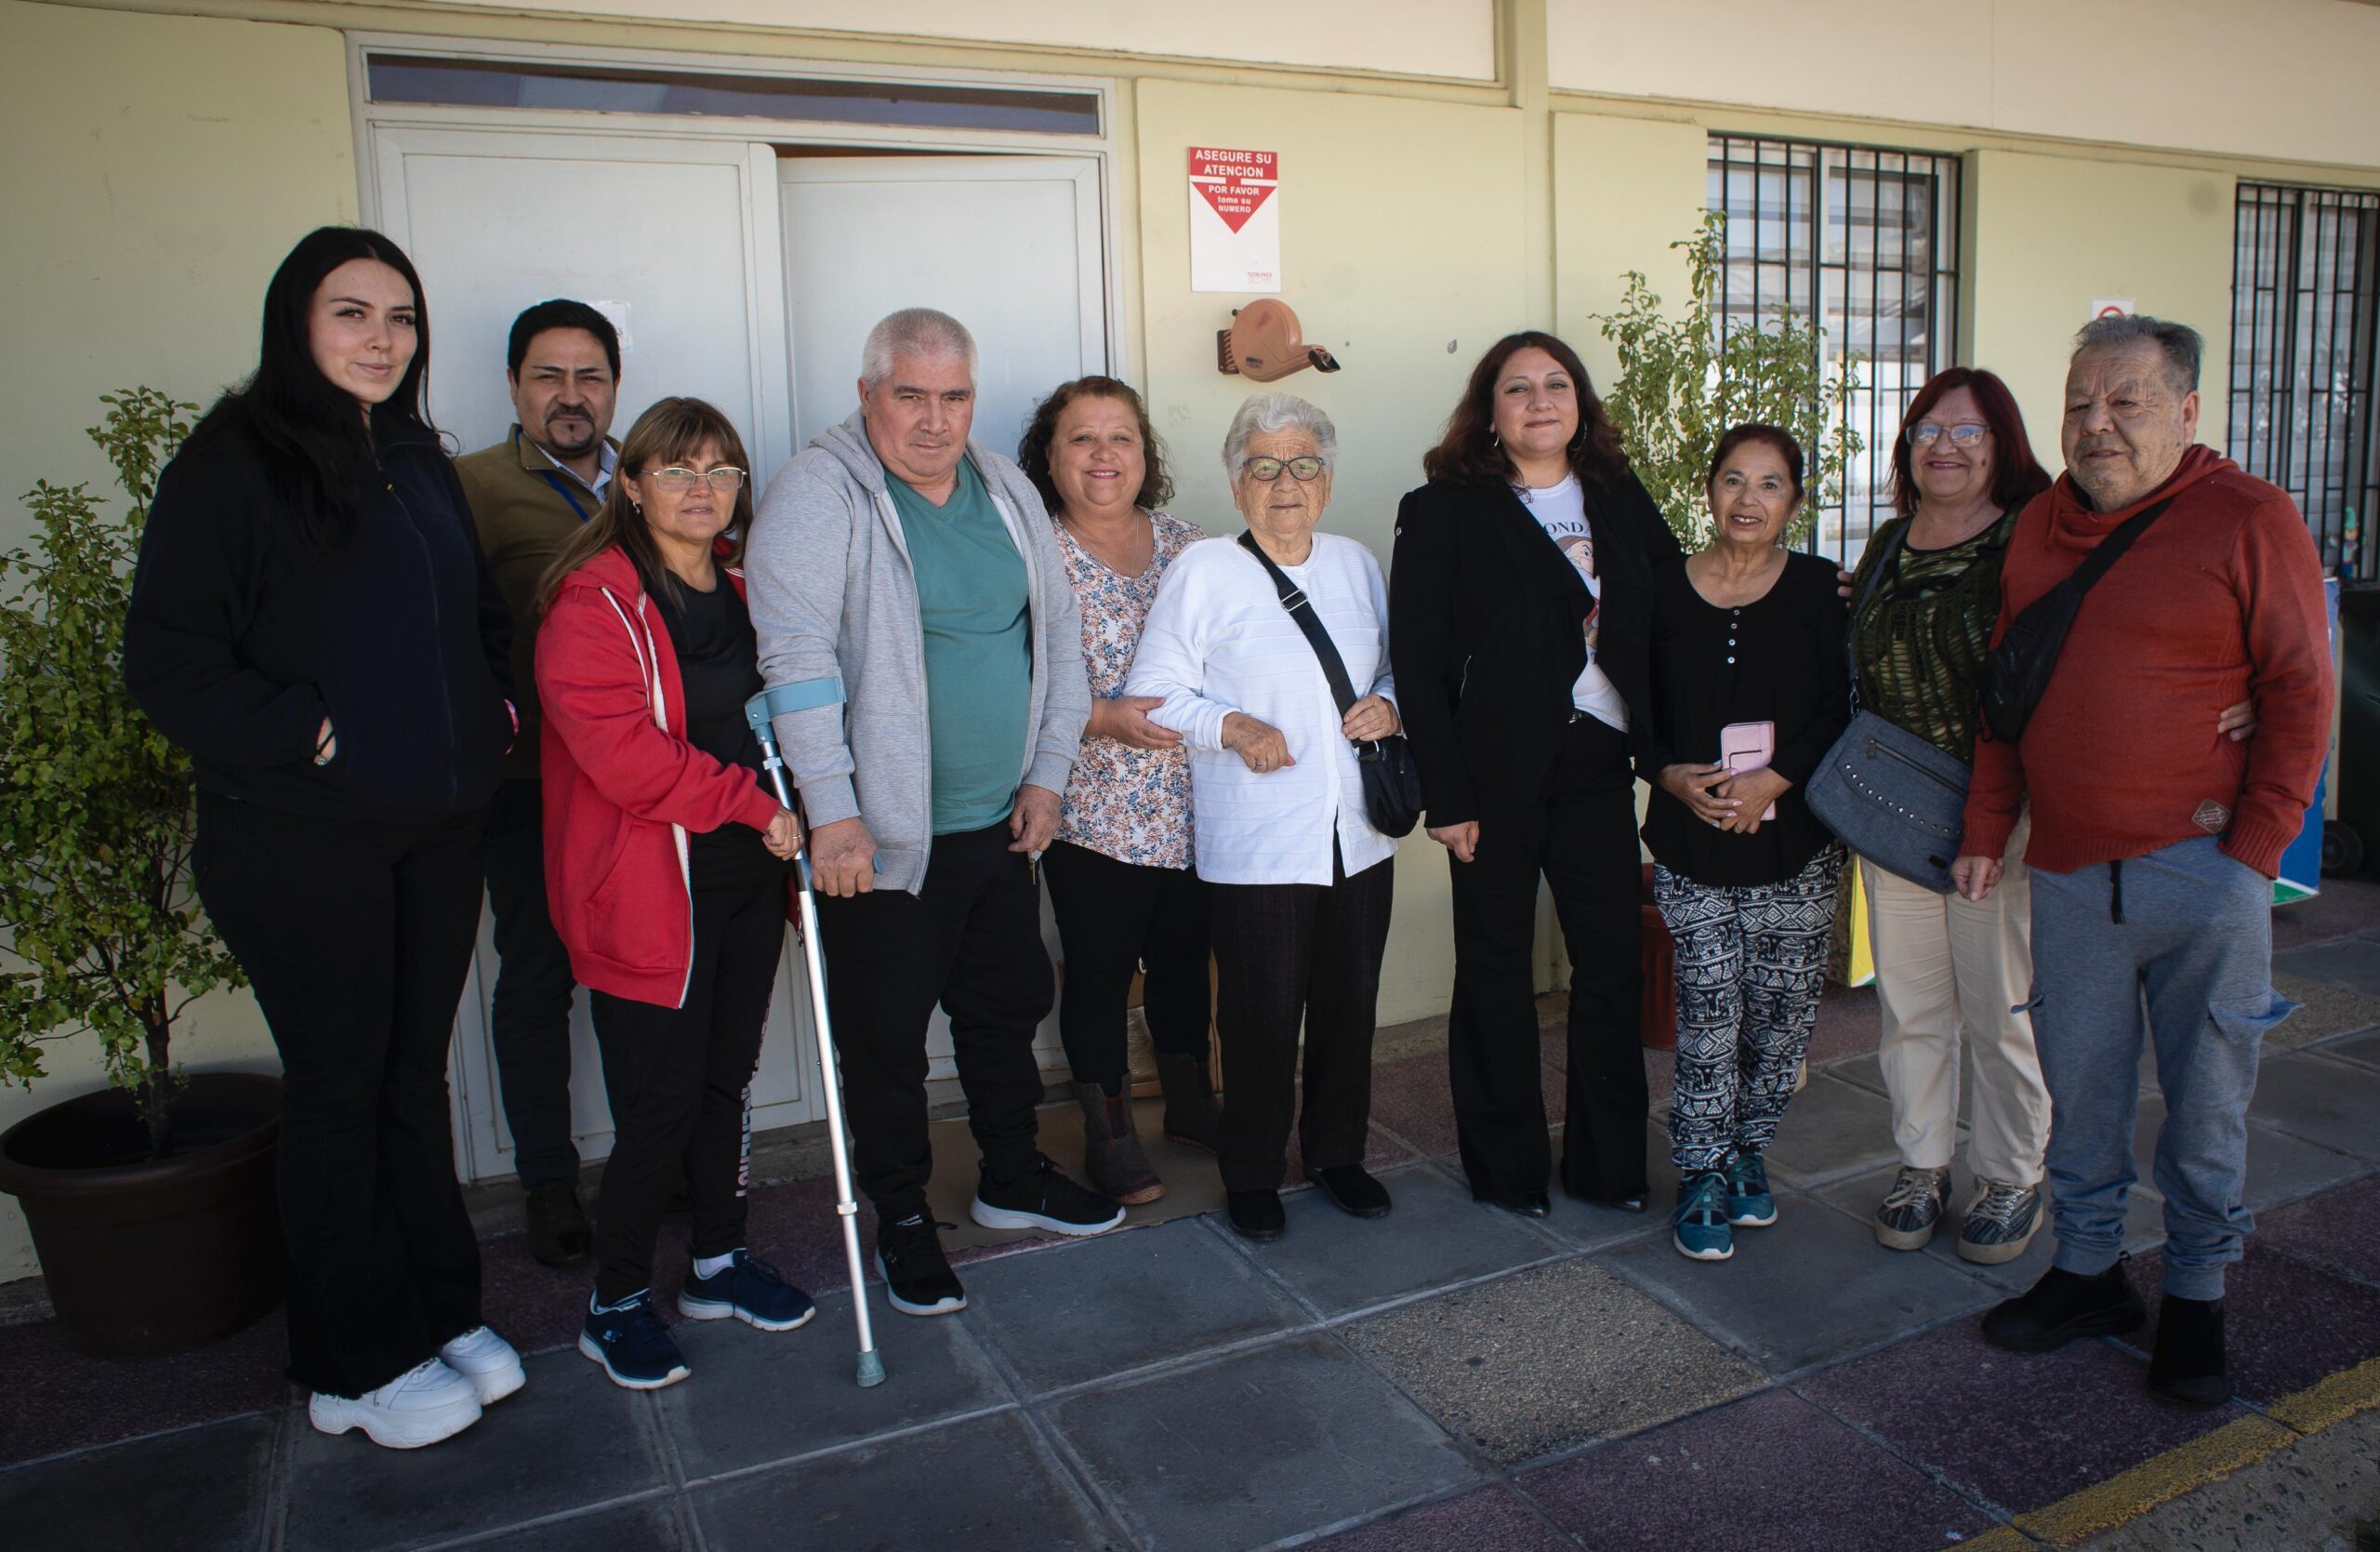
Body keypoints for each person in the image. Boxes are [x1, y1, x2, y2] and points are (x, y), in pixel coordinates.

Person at [123, 226, 523, 1450]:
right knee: (343, 1090)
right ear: (297, 320)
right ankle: (350, 1364)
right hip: (304, 838)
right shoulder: (233, 459)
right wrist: (312, 737)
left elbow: (471, 609)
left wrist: (494, 702)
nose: (380, 338)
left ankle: (432, 1310)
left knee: (410, 1081)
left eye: (399, 317)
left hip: (434, 829)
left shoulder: (408, 453)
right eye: (351, 313)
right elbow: (169, 661)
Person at [1961, 316, 2333, 1408]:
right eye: (2079, 401)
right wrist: (1989, 826)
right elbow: (2005, 695)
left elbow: (2301, 696)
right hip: (2070, 869)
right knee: (2078, 1084)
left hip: (2200, 868)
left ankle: (2199, 1297)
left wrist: (2251, 852)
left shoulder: (2251, 518)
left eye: (2125, 400)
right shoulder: (2037, 527)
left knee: (2207, 1096)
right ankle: (2086, 1272)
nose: (2095, 423)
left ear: (2185, 410)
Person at [747, 308, 1118, 1320]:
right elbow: (796, 666)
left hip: (999, 824)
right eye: (909, 394)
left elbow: (1061, 644)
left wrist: (1046, 776)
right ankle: (902, 1215)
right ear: (867, 394)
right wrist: (833, 814)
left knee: (1003, 1012)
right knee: (885, 1041)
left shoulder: (1001, 487)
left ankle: (1011, 1176)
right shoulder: (820, 494)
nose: (933, 419)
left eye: (953, 395)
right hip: (882, 840)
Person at [535, 396, 815, 1391]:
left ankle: (714, 1263)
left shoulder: (746, 591)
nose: (702, 490)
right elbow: (623, 757)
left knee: (723, 1084)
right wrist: (747, 799)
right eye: (677, 470)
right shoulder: (592, 604)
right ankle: (612, 1304)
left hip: (746, 878)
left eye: (721, 472)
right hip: (648, 893)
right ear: (632, 482)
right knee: (656, 1106)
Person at [1390, 331, 1682, 1220]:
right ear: (1490, 411)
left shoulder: (1622, 500)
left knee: (1607, 969)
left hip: (1597, 767)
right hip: (1492, 777)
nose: (1540, 401)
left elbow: (1678, 607)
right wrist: (1447, 793)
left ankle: (1607, 1164)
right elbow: (1419, 657)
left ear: (1580, 402)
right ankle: (1506, 1167)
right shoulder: (1442, 509)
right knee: (1493, 970)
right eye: (1517, 388)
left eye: (1557, 384)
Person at [1126, 392, 1401, 1243]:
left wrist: (1389, 709)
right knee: (1258, 1015)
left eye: (1304, 464)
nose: (1286, 483)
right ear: (1237, 480)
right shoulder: (1205, 571)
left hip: (1358, 836)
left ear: (1327, 477)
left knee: (1351, 1007)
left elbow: (1396, 671)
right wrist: (1233, 726)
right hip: (1257, 844)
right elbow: (1156, 694)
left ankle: (1335, 1155)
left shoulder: (1356, 564)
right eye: (1264, 466)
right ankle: (1251, 1170)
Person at [1644, 424, 1850, 1264]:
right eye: (1734, 480)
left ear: (1794, 501)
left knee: (1780, 1018)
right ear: (1709, 489)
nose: (1749, 499)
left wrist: (1778, 778)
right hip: (1692, 845)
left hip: (1796, 847)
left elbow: (1841, 708)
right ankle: (1698, 1169)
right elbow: (1637, 706)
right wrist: (1667, 775)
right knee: (1709, 1015)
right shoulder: (1659, 586)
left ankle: (1746, 1148)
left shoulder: (1819, 590)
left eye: (1770, 485)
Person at [1015, 377, 1217, 1204]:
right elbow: (1007, 677)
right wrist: (1100, 716)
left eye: (1121, 437)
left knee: (1182, 962)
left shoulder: (1192, 545)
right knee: (1098, 972)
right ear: (1050, 457)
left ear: (1145, 453)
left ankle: (1193, 1106)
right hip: (1090, 804)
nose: (1104, 456)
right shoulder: (1031, 552)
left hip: (1197, 803)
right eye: (1082, 439)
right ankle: (1109, 1134)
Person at [456, 298, 624, 1267]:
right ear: (515, 386)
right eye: (549, 377)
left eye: (588, 375)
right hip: (527, 784)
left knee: (638, 972)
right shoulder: (469, 486)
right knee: (537, 977)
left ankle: (663, 1154)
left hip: (639, 781)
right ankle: (548, 1182)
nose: (571, 396)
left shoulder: (645, 478)